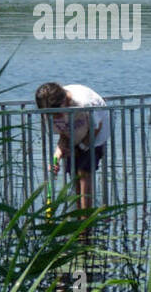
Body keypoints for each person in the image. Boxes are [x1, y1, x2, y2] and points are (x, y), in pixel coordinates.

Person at [35, 81, 109, 210]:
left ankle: (86, 222)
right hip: (75, 137)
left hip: (95, 136)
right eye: (49, 114)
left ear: (64, 101)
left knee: (84, 173)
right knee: (75, 175)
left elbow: (97, 127)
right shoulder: (50, 109)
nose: (54, 117)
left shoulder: (83, 103)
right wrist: (56, 158)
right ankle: (79, 219)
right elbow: (63, 136)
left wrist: (81, 147)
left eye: (56, 113)